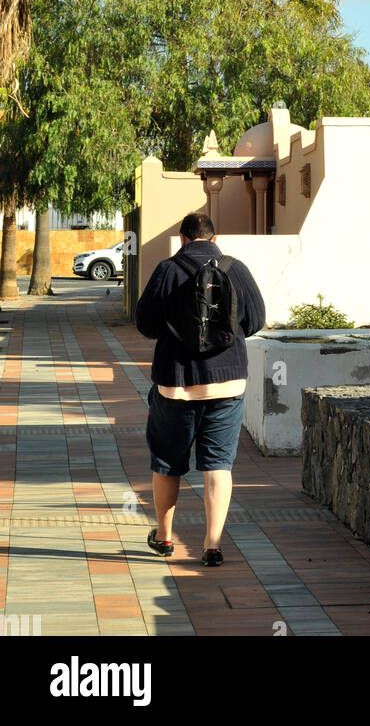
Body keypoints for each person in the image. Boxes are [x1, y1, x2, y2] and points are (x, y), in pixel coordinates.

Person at [135, 212, 266, 566]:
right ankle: (212, 545)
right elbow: (256, 320)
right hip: (227, 385)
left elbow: (144, 323)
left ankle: (164, 538)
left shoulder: (167, 269)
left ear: (182, 239)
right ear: (214, 237)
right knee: (218, 466)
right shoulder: (235, 268)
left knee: (166, 462)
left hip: (176, 387)